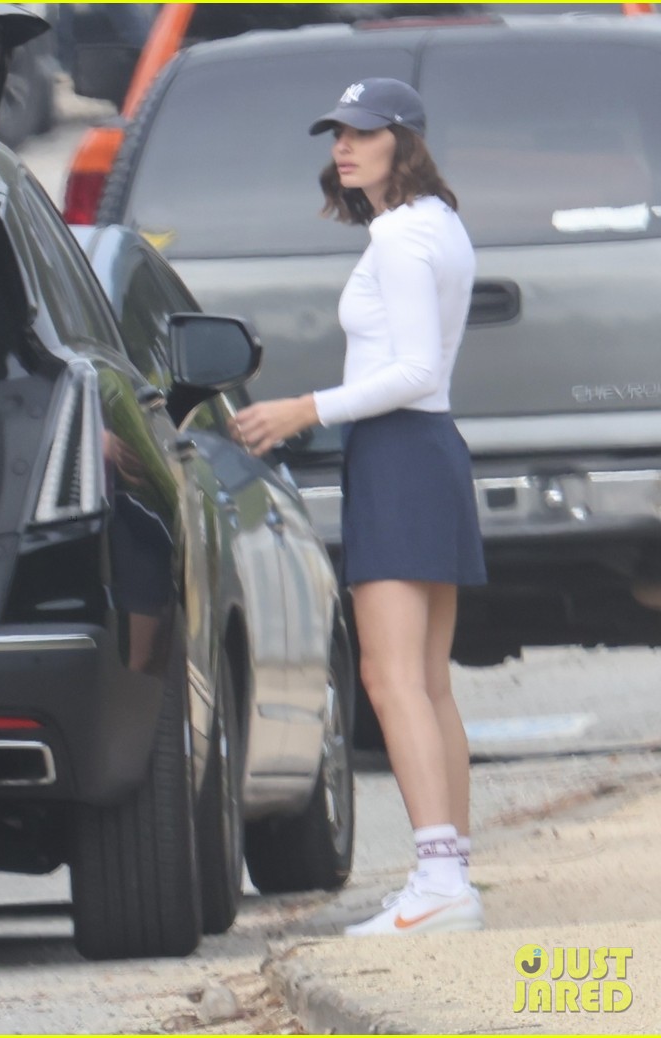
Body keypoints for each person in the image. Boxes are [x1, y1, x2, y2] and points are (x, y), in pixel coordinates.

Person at [235, 78, 486, 937]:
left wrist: (303, 409)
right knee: (425, 680)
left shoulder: (402, 238)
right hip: (429, 449)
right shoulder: (436, 224)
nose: (343, 147)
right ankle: (451, 876)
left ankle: (440, 881)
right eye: (337, 134)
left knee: (389, 677)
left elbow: (413, 369)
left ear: (403, 140)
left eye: (363, 133)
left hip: (401, 453)